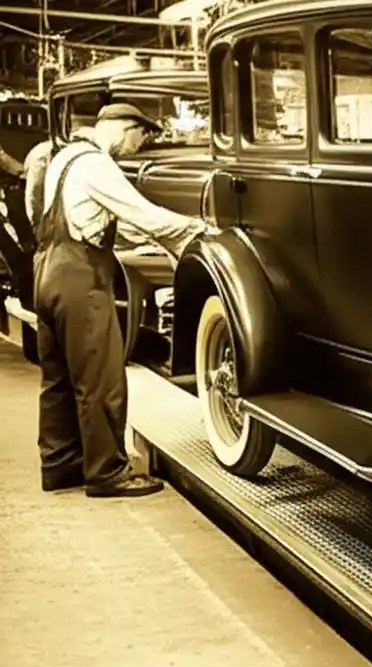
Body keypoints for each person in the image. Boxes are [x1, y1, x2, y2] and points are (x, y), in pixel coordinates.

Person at [35, 102, 206, 497]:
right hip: (79, 278)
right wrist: (197, 228)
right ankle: (107, 472)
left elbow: (98, 218)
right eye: (142, 138)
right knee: (100, 377)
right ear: (127, 129)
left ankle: (60, 464)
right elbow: (142, 214)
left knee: (58, 379)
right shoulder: (97, 164)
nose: (139, 149)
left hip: (47, 272)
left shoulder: (64, 159)